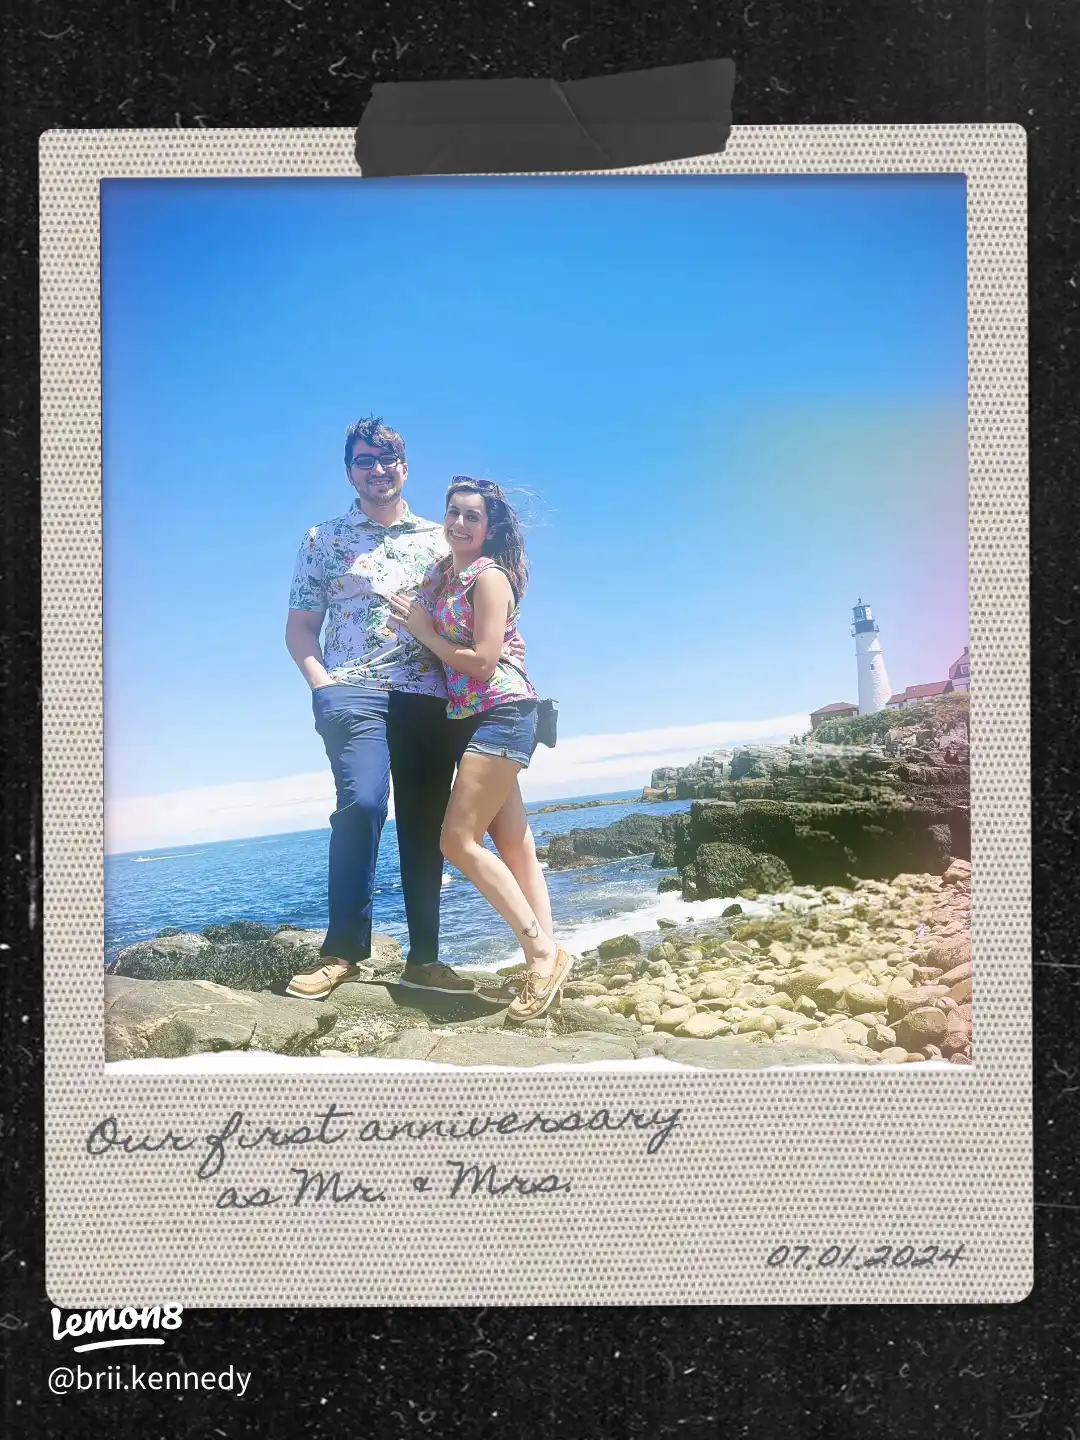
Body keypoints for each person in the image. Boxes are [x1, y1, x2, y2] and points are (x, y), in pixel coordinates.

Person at [283, 417, 476, 1000]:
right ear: (350, 473)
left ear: (405, 468)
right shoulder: (323, 539)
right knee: (362, 804)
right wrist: (323, 687)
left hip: (429, 695)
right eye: (364, 460)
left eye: (387, 458)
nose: (377, 469)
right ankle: (342, 952)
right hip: (352, 691)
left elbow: (477, 612)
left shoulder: (441, 540)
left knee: (425, 824)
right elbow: (300, 628)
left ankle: (424, 959)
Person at [388, 477, 573, 1021]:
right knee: (514, 844)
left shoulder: (489, 578)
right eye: (453, 513)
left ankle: (543, 954)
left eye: (473, 516)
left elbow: (485, 663)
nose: (460, 523)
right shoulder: (448, 576)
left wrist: (426, 632)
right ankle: (546, 961)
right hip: (474, 717)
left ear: (489, 529)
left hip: (502, 711)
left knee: (456, 840)